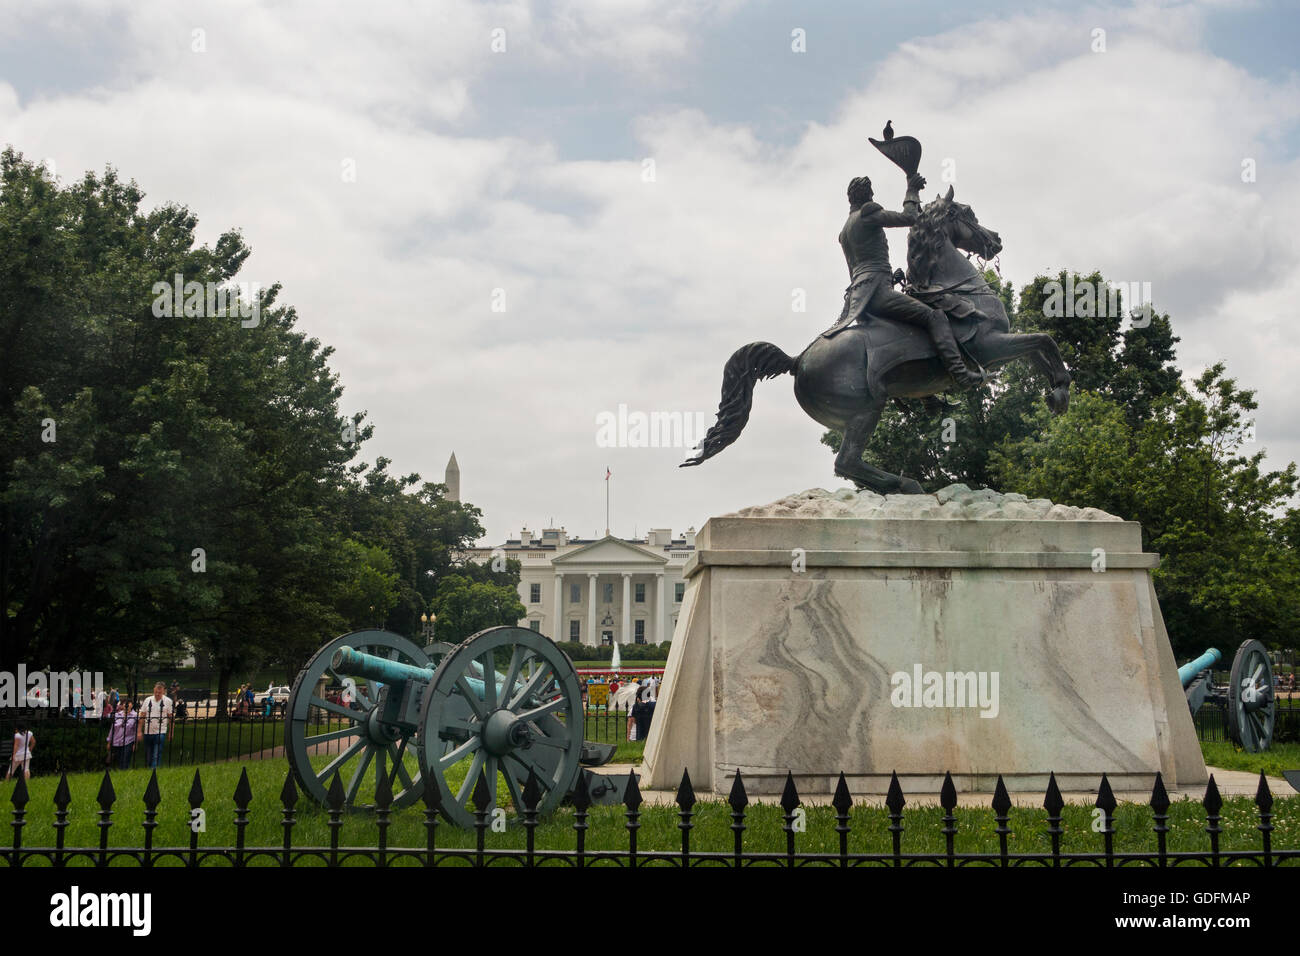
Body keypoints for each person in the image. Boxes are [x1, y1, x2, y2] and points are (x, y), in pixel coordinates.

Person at [821, 171, 985, 388]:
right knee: (934, 317)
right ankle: (960, 374)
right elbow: (910, 218)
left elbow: (858, 269)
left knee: (907, 331)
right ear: (866, 196)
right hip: (878, 292)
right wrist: (912, 190)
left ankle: (927, 395)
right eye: (871, 193)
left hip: (860, 297)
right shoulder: (868, 213)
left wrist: (889, 276)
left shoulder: (845, 231)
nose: (872, 197)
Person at [137, 682, 174, 769]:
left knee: (156, 754)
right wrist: (139, 731)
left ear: (164, 692)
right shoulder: (147, 700)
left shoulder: (168, 701)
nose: (157, 694)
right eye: (156, 692)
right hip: (148, 731)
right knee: (148, 755)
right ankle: (150, 770)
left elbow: (171, 718)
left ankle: (154, 772)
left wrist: (171, 732)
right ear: (154, 690)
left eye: (159, 692)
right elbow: (142, 716)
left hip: (160, 731)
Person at [107, 701, 137, 770]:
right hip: (116, 741)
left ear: (131, 705)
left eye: (129, 704)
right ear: (122, 706)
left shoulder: (135, 716)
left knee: (125, 760)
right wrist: (109, 741)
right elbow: (112, 728)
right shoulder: (117, 715)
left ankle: (124, 773)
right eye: (125, 704)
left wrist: (135, 743)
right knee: (117, 760)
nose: (126, 706)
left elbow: (135, 730)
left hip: (128, 741)